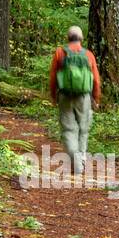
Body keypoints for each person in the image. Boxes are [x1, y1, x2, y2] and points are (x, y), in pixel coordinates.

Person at [48, 26, 102, 174]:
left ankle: (75, 159)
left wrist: (53, 95)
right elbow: (96, 79)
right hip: (83, 97)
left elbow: (53, 77)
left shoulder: (60, 53)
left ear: (68, 38)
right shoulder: (88, 55)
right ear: (81, 39)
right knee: (83, 129)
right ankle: (82, 160)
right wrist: (96, 98)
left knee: (68, 129)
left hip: (65, 96)